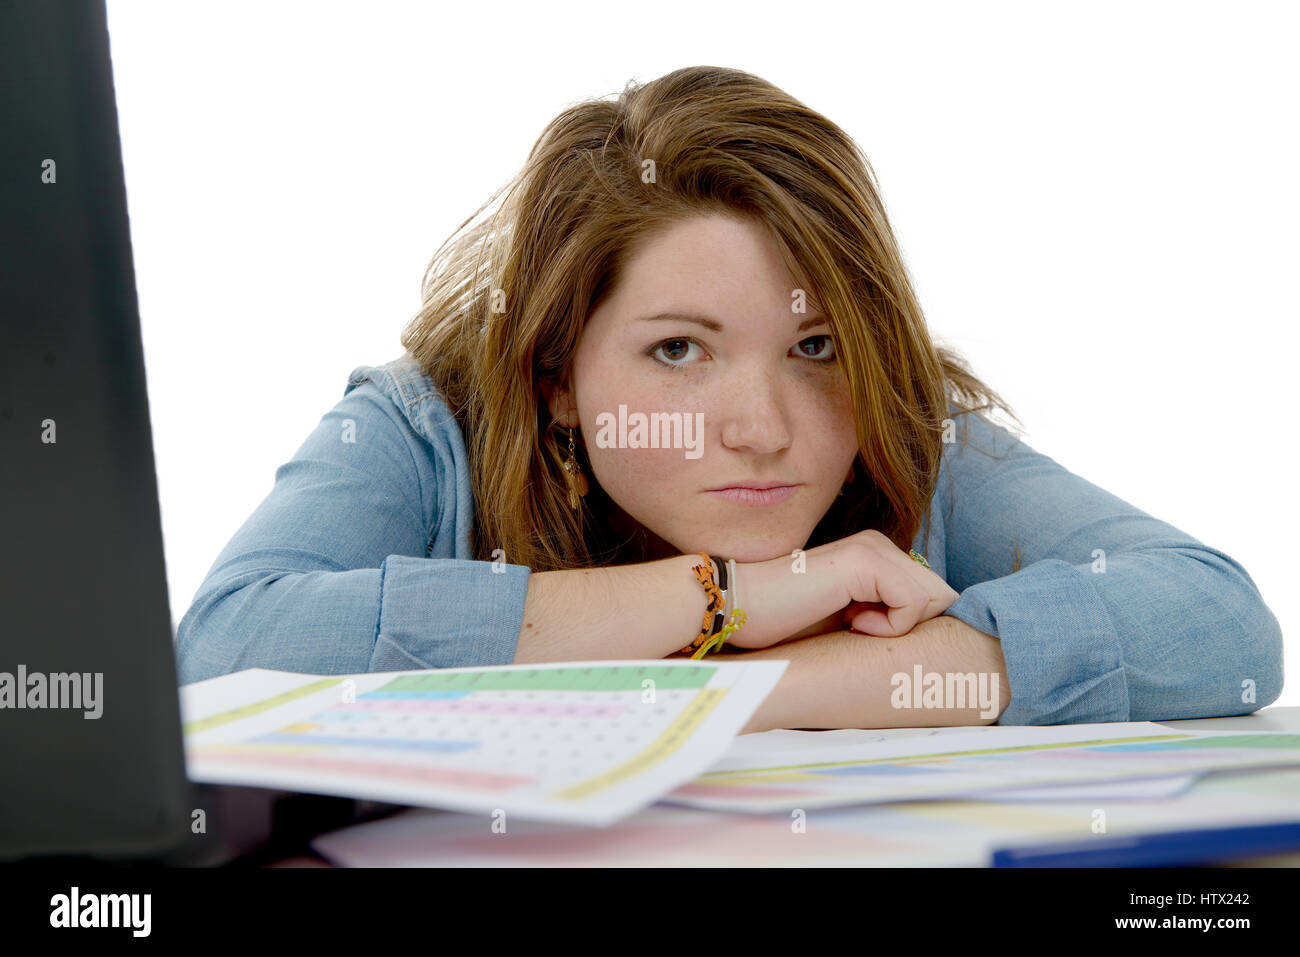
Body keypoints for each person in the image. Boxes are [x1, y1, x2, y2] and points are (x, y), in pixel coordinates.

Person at [175, 66, 1282, 733]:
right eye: (675, 351)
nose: (762, 428)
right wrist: (727, 598)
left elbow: (1217, 628)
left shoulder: (903, 426)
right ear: (555, 375)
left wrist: (765, 685)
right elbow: (223, 654)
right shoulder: (419, 428)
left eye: (814, 345)